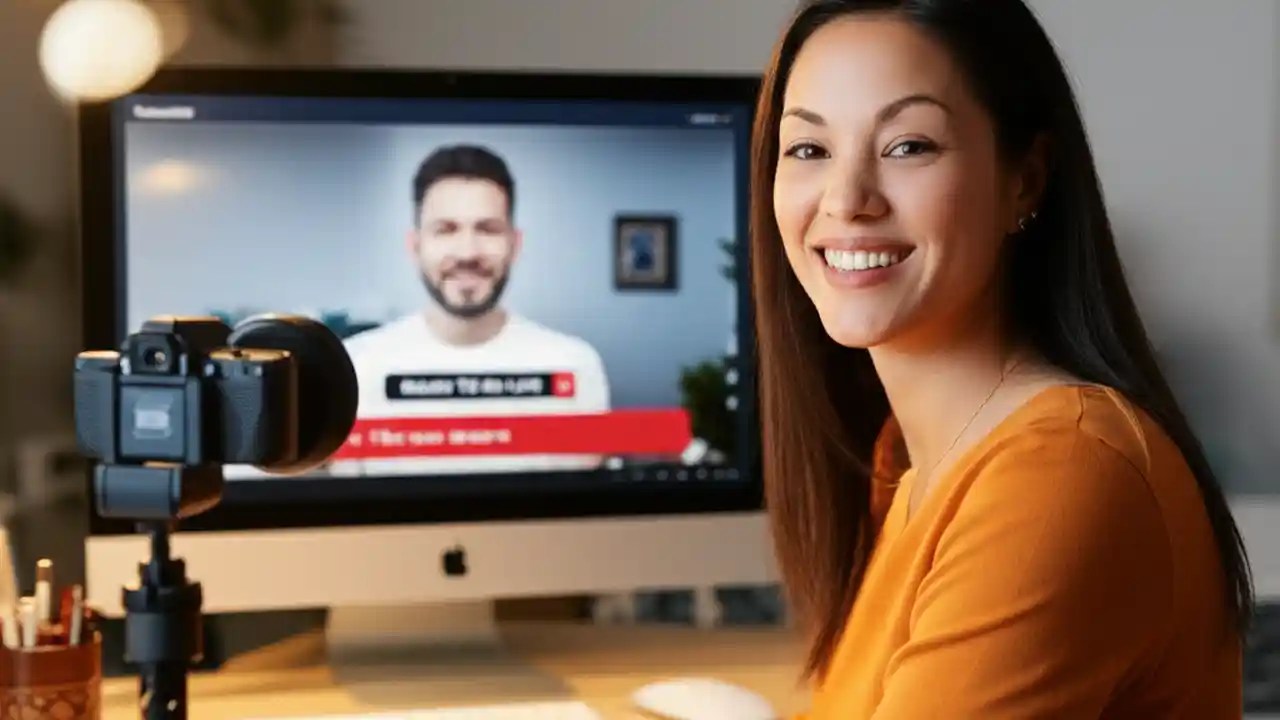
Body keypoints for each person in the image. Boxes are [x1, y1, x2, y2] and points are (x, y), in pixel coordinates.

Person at [752, 1, 1249, 717]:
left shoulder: (1061, 472)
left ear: (1026, 178)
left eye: (907, 146)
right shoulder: (906, 463)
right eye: (808, 150)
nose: (847, 199)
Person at [341, 144, 611, 473]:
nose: (467, 252)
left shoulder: (575, 365)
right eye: (446, 230)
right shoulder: (355, 367)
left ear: (515, 244)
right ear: (415, 246)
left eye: (487, 229)